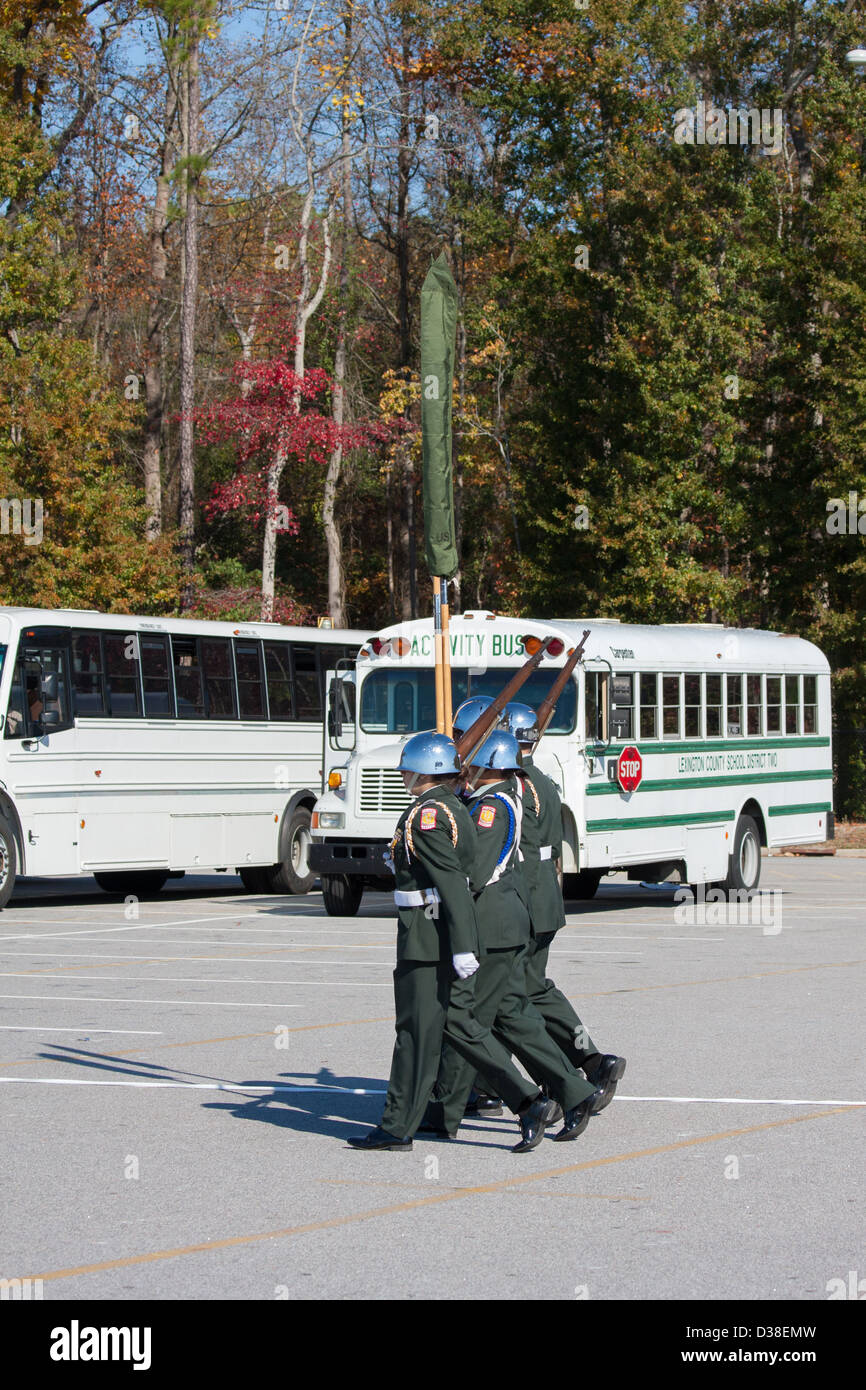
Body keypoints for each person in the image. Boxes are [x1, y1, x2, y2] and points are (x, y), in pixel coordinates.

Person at [347, 731, 552, 1153]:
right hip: (439, 934)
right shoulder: (453, 807)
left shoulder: (427, 814)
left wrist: (462, 946)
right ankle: (529, 1102)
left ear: (422, 770)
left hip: (426, 938)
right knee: (461, 1028)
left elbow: (454, 885)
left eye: (407, 767)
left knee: (415, 1033)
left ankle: (396, 1126)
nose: (403, 773)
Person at [422, 728, 600, 1142]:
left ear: (487, 764)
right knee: (512, 1016)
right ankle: (573, 1091)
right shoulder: (497, 798)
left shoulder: (491, 808)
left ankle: (450, 1107)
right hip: (507, 923)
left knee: (467, 1022)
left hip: (493, 926)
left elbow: (475, 872)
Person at [503, 701, 625, 1115]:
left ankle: (562, 1077)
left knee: (510, 999)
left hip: (525, 901)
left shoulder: (512, 784)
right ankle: (590, 1060)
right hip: (544, 898)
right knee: (533, 990)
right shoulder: (540, 779)